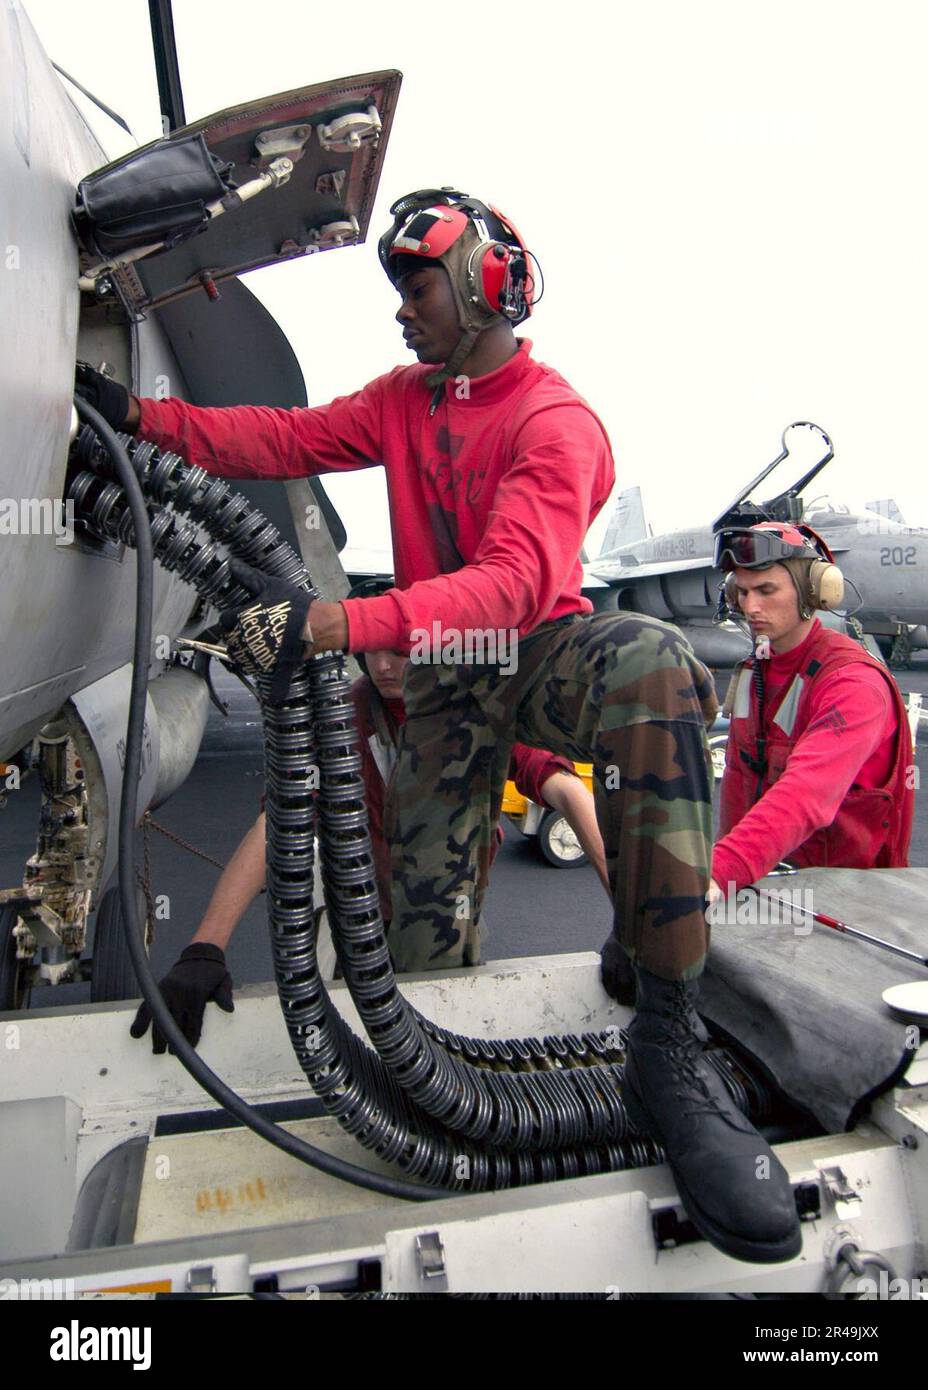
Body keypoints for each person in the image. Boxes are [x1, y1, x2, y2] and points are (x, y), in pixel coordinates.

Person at [75, 187, 801, 1263]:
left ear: (481, 288)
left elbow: (511, 585)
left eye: (415, 287)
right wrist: (144, 420)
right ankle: (448, 1113)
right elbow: (285, 437)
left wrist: (333, 622)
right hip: (440, 682)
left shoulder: (556, 422)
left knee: (658, 668)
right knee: (413, 952)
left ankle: (668, 1036)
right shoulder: (407, 398)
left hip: (532, 651)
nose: (401, 311)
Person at [129, 641, 607, 1052]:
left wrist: (629, 920)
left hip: (448, 921)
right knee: (365, 1048)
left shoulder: (473, 710)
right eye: (373, 649)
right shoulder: (346, 717)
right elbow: (280, 818)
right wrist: (205, 946)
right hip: (362, 918)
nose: (382, 665)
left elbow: (563, 787)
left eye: (398, 649)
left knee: (444, 1046)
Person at [709, 521, 914, 903]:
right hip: (762, 893)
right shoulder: (756, 669)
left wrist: (721, 872)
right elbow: (738, 778)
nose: (750, 607)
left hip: (846, 908)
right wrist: (729, 886)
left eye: (767, 591)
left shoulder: (853, 684)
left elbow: (806, 794)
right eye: (742, 592)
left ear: (812, 592)